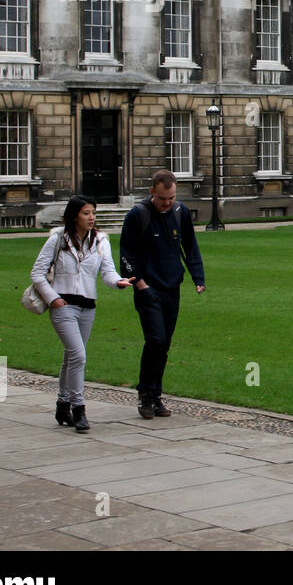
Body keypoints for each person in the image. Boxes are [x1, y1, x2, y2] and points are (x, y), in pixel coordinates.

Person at [30, 196, 133, 432]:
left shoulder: (101, 241)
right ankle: (79, 408)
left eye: (93, 213)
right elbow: (37, 273)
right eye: (86, 213)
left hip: (88, 307)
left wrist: (118, 282)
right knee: (78, 356)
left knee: (72, 357)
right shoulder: (58, 240)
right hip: (64, 306)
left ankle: (62, 404)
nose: (91, 218)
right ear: (75, 215)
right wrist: (53, 298)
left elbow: (107, 271)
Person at [120, 170, 205, 419]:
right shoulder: (138, 215)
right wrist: (139, 283)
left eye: (170, 198)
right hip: (148, 289)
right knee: (155, 340)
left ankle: (155, 395)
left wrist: (198, 278)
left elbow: (190, 246)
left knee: (164, 344)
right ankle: (145, 394)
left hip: (172, 287)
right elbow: (127, 252)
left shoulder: (180, 213)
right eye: (162, 199)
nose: (166, 203)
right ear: (152, 193)